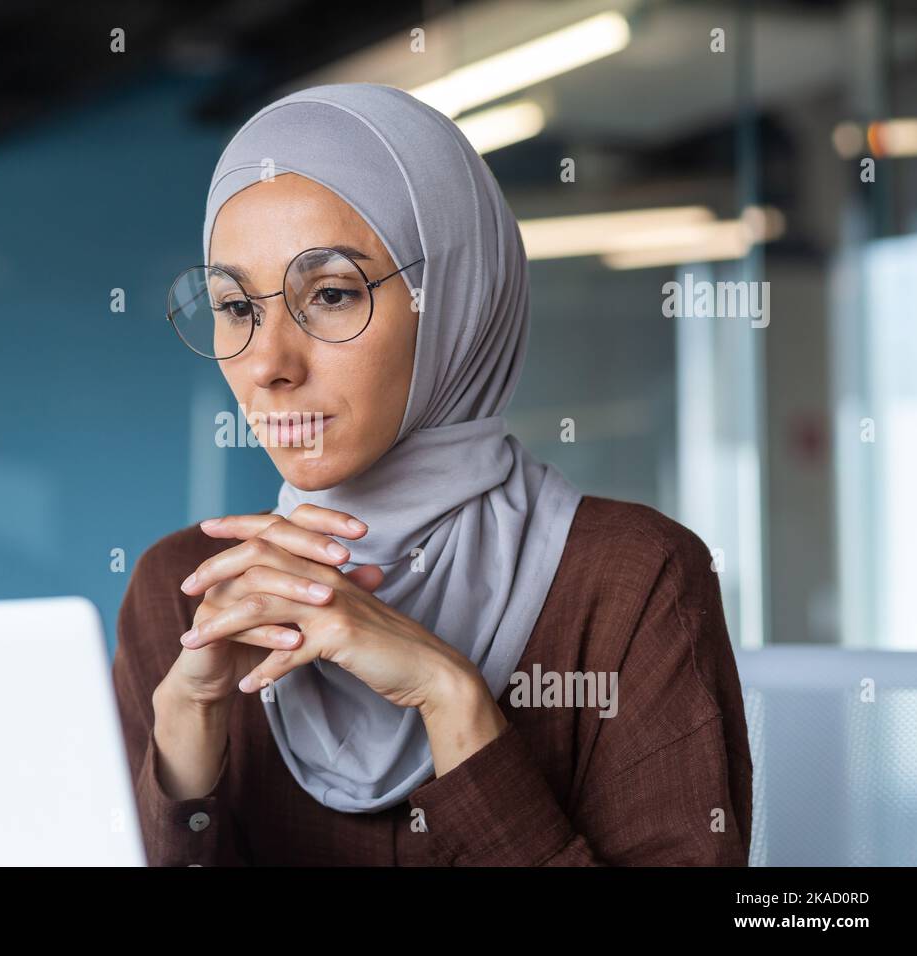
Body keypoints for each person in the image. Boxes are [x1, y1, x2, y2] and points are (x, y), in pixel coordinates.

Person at [112, 82, 752, 866]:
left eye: (332, 294)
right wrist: (183, 744)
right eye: (237, 308)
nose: (269, 365)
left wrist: (451, 700)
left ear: (455, 301)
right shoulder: (183, 592)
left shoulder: (631, 580)